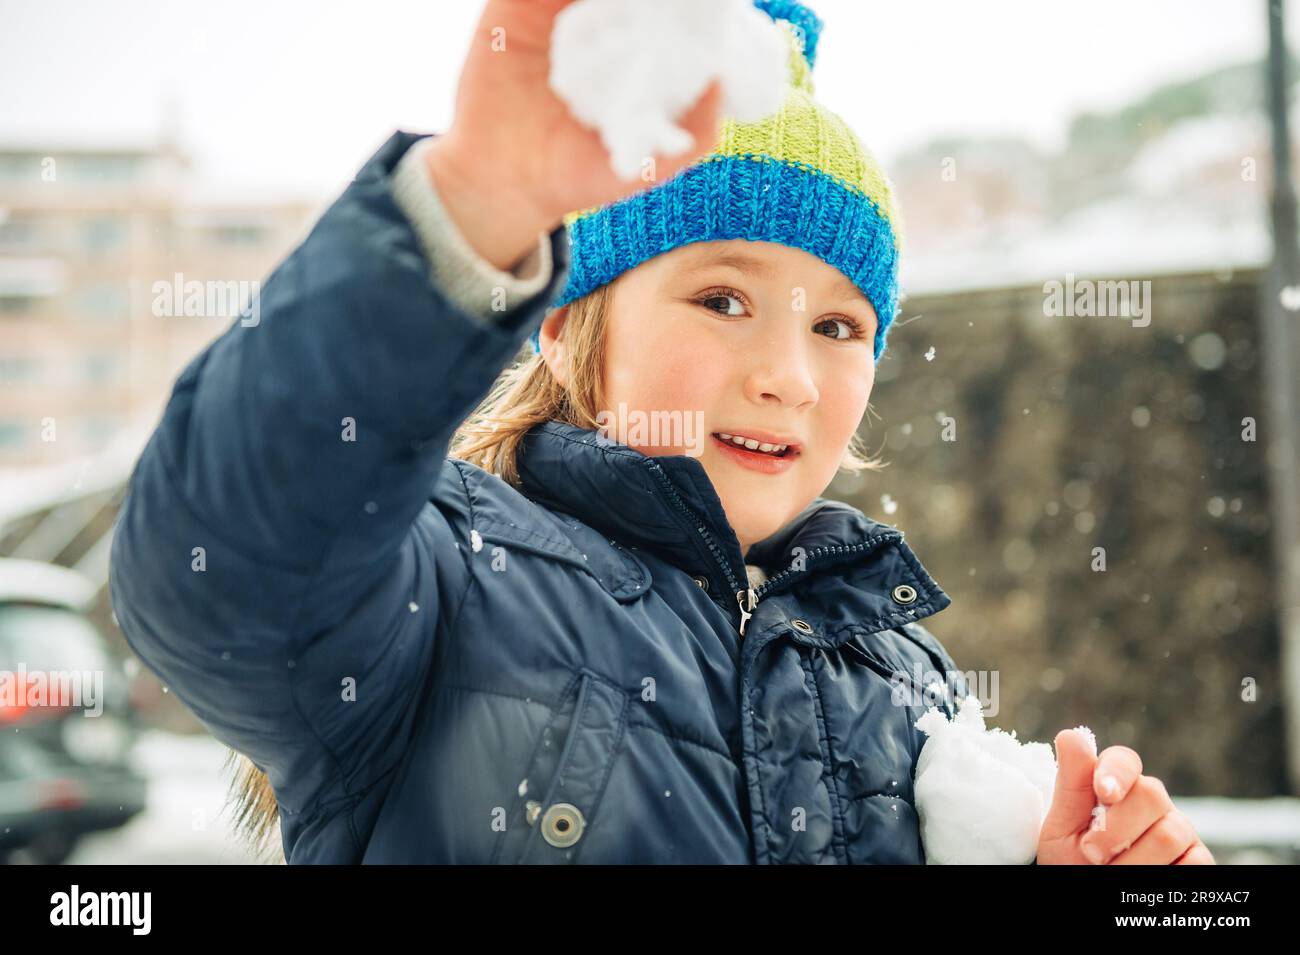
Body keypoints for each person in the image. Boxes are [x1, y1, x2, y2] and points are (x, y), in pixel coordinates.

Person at [109, 0, 1213, 864]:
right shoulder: (439, 588)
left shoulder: (907, 676)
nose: (785, 374)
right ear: (563, 328)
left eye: (838, 325)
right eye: (721, 300)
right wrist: (472, 206)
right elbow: (224, 559)